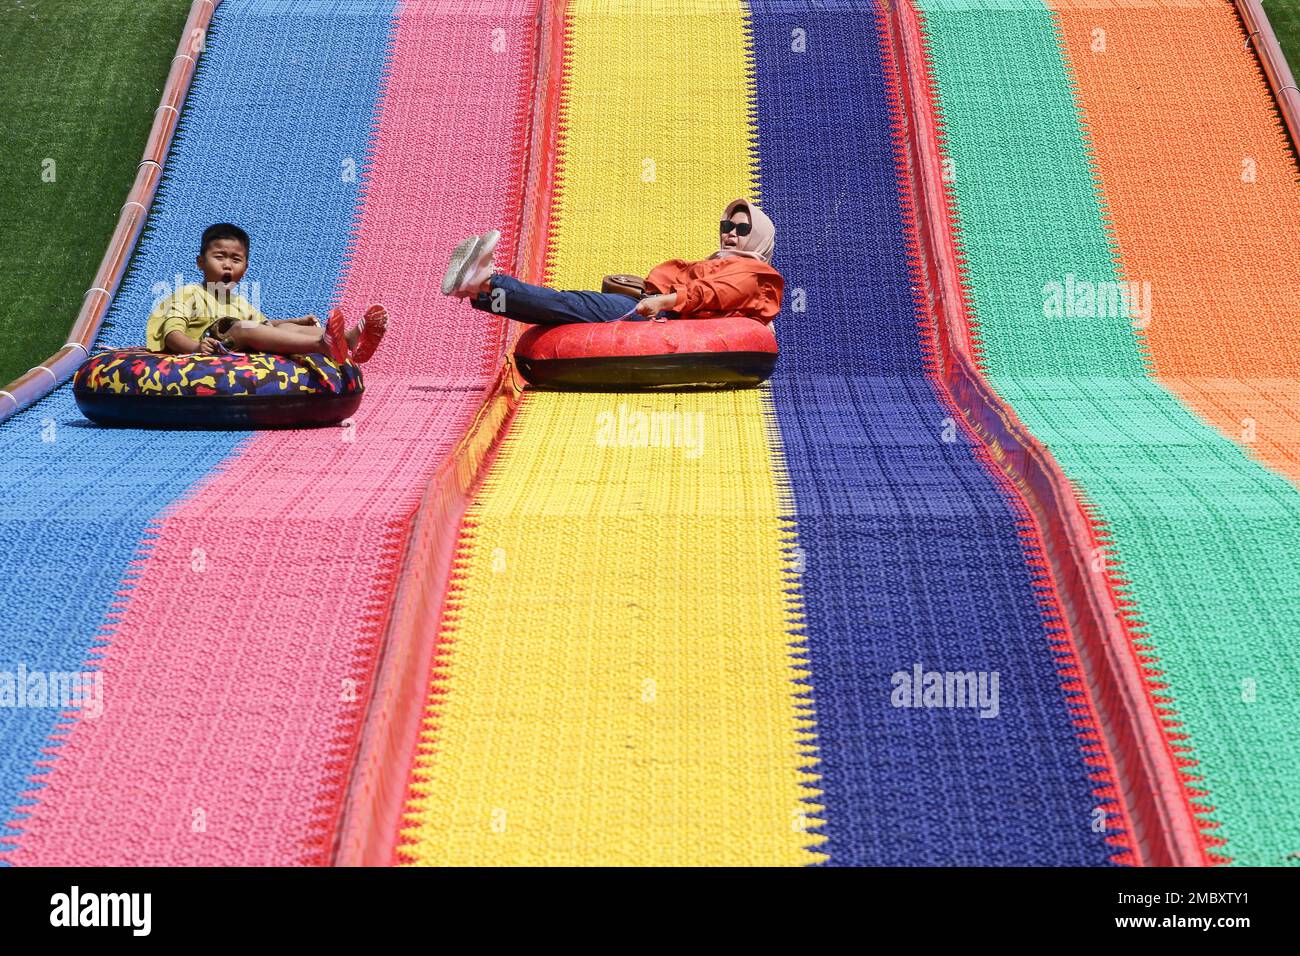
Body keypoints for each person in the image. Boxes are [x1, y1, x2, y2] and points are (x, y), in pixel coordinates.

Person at [439, 199, 783, 325]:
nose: (730, 233)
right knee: (558, 307)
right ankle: (478, 291)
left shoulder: (755, 272)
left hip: (653, 311)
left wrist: (665, 300)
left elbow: (716, 292)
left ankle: (485, 283)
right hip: (650, 303)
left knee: (565, 303)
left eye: (742, 228)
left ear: (759, 237)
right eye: (726, 225)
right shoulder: (722, 262)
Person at [145, 222, 388, 364]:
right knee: (241, 328)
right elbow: (172, 334)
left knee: (278, 329)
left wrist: (295, 321)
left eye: (236, 259)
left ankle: (349, 338)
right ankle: (321, 345)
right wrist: (196, 348)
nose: (228, 265)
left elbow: (264, 325)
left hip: (238, 344)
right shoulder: (188, 294)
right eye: (219, 257)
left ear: (246, 267)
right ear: (200, 262)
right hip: (211, 350)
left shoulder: (237, 301)